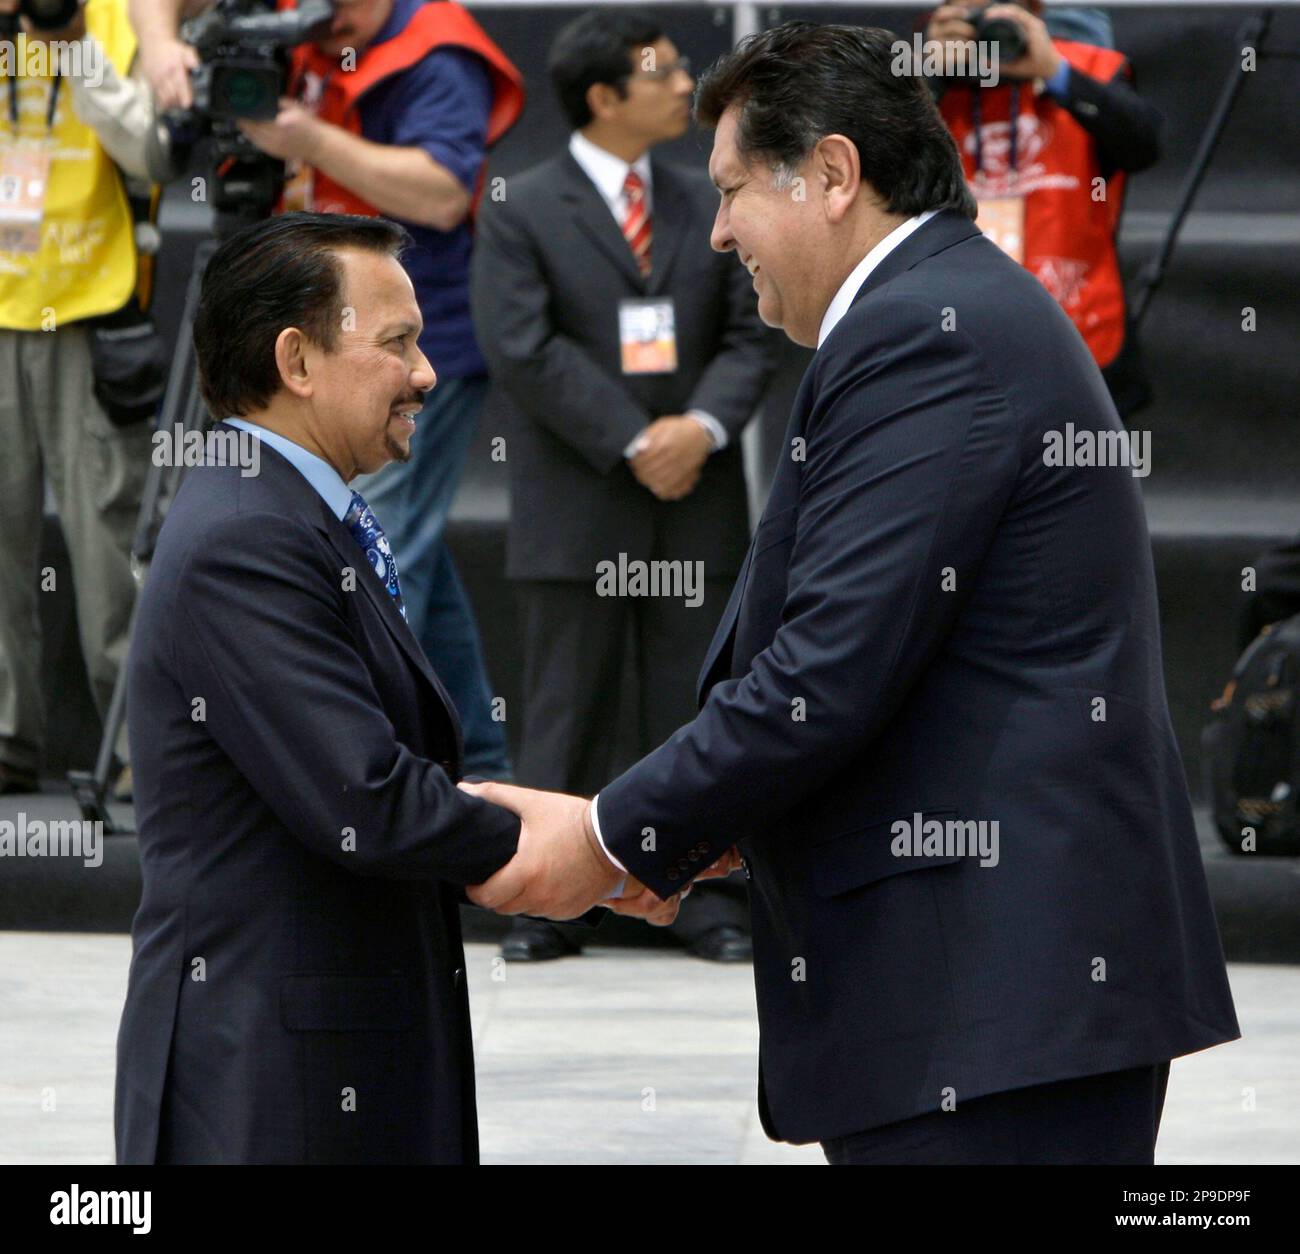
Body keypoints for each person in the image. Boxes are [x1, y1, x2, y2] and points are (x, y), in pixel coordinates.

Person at [460, 22, 1240, 1165]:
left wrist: (611, 836)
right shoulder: (934, 311)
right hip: (986, 1005)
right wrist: (717, 825)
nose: (717, 230)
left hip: (996, 1007)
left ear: (831, 175)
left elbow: (829, 667)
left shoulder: (927, 335)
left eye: (731, 191)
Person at [113, 213, 680, 1165]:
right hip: (270, 1090)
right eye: (397, 344)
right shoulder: (248, 538)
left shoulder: (297, 511)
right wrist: (592, 851)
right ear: (296, 360)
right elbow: (368, 798)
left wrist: (575, 831)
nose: (426, 373)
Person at [131, 0, 523, 777]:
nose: (321, 19)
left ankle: (380, 776)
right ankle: (478, 767)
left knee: (382, 554)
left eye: (340, 6)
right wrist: (161, 46)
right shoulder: (291, 17)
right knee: (405, 555)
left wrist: (306, 139)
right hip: (315, 339)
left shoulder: (437, 48)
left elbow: (443, 191)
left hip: (408, 351)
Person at [471, 9, 775, 964]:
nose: (686, 84)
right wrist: (635, 438)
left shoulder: (706, 194)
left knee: (699, 703)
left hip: (700, 491)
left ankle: (706, 898)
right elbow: (521, 345)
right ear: (605, 97)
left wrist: (701, 427)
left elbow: (753, 327)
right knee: (567, 699)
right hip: (581, 492)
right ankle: (544, 901)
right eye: (663, 72)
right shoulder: (521, 199)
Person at [0, 0, 158, 797]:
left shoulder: (118, 19)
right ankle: (5, 739)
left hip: (85, 306)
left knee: (105, 542)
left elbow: (154, 153)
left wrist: (70, 46)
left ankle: (137, 745)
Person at [924, 1, 1161, 418]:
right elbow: (868, 163)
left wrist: (1056, 71)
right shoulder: (930, 87)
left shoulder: (1088, 66)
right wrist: (929, 74)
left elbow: (1144, 145)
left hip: (1080, 334)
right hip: (957, 343)